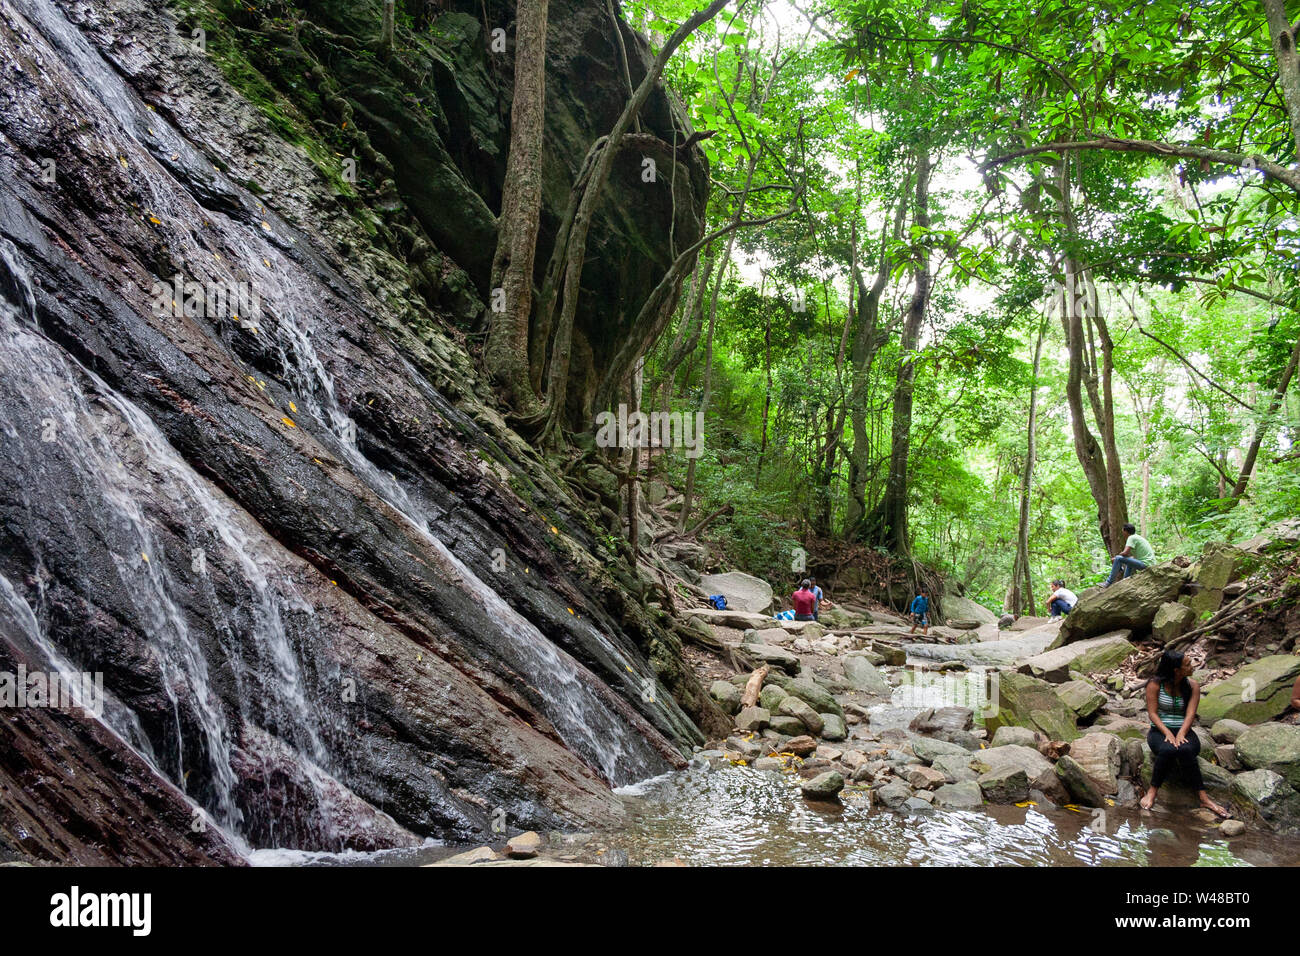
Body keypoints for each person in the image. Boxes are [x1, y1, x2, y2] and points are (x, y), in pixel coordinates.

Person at [1139, 649, 1229, 817]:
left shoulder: (1192, 685)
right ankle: (1152, 791)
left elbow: (1190, 714)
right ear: (1176, 670)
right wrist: (1168, 733)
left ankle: (1203, 798)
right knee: (1168, 750)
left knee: (1186, 750)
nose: (1192, 666)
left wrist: (1181, 733)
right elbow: (1152, 713)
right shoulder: (1155, 684)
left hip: (1184, 729)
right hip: (1159, 730)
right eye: (1187, 664)